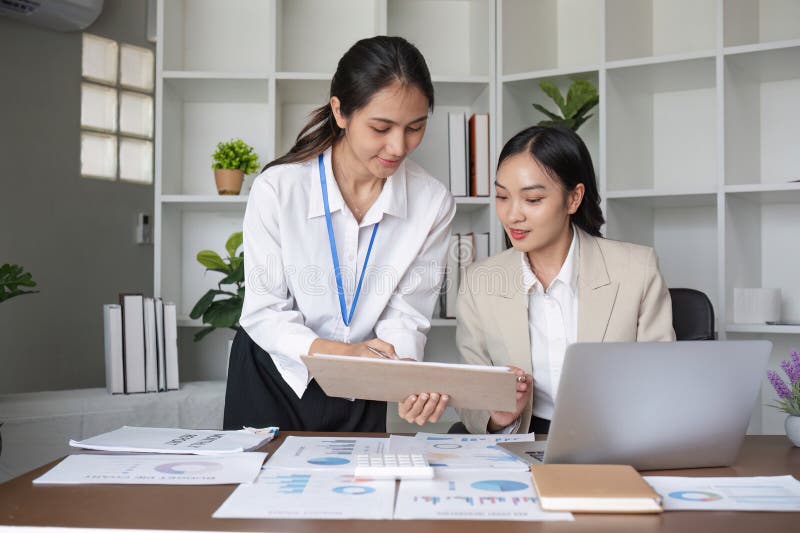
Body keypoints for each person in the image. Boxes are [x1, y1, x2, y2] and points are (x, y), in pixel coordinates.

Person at [223, 36, 455, 432]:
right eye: (381, 127)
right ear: (340, 111)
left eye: (415, 128)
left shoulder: (432, 202)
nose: (398, 146)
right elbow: (265, 310)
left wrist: (404, 375)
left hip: (361, 384)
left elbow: (407, 313)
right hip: (273, 373)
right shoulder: (278, 189)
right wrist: (343, 354)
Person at [398, 125, 675, 432]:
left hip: (618, 436)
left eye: (532, 199)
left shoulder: (636, 270)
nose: (512, 215)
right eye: (502, 197)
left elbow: (663, 383)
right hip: (523, 439)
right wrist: (499, 417)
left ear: (573, 199)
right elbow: (473, 401)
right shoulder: (480, 282)